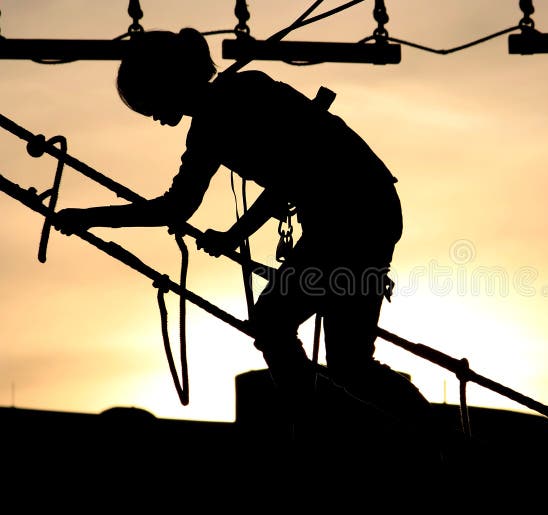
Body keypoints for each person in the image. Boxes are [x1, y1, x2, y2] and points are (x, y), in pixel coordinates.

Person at [52, 28, 431, 431]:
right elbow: (178, 207)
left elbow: (291, 175)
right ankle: (436, 436)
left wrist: (233, 235)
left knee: (275, 322)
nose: (154, 117)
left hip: (353, 214)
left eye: (150, 103)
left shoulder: (244, 96)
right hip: (360, 213)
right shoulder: (209, 129)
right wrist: (90, 218)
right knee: (347, 363)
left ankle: (312, 425)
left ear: (167, 83)